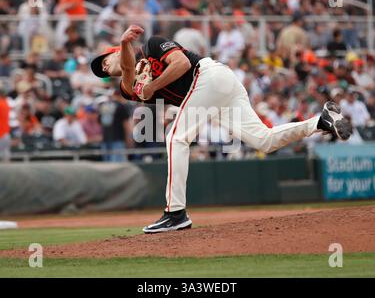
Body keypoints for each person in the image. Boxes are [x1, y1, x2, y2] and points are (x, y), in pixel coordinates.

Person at [90, 25, 352, 234]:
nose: (103, 67)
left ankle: (175, 214)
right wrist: (128, 53)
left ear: (116, 50)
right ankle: (320, 121)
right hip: (213, 92)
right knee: (264, 141)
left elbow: (181, 65)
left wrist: (134, 56)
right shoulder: (127, 88)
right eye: (101, 70)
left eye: (104, 60)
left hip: (209, 76)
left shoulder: (151, 45)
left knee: (175, 138)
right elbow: (127, 70)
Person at [0, 85, 11, 161]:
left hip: (1, 133)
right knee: (6, 156)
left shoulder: (2, 103)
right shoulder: (6, 102)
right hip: (5, 132)